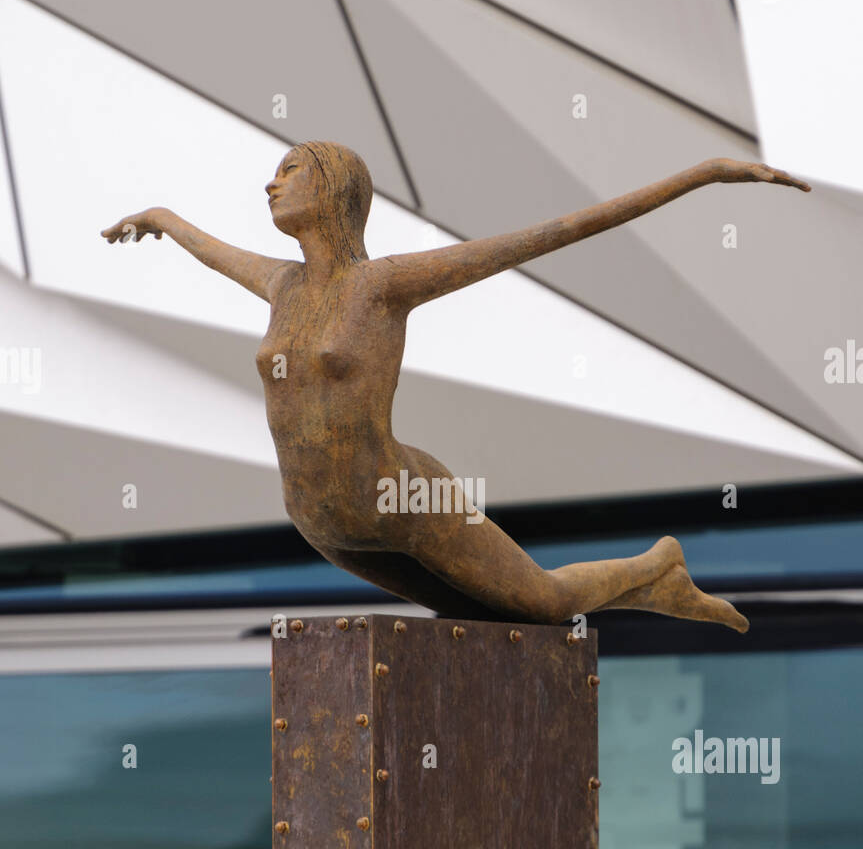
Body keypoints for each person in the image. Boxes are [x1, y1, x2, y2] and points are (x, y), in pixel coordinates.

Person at [102, 141, 810, 630]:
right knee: (475, 623)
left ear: (335, 190)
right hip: (321, 519)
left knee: (542, 605)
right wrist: (159, 218)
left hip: (400, 500)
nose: (271, 183)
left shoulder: (382, 285)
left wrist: (702, 175)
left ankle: (655, 569)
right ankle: (649, 588)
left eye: (290, 171)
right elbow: (204, 247)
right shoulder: (280, 283)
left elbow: (553, 233)